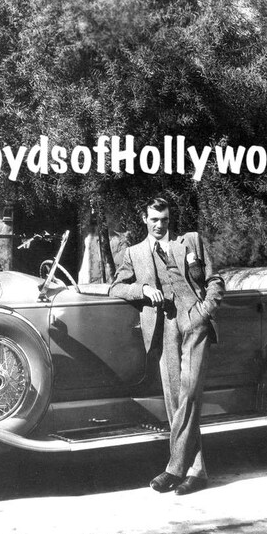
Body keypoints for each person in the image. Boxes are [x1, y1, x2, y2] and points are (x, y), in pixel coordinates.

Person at [109, 198, 224, 495]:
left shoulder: (192, 242)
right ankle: (197, 472)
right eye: (153, 219)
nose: (159, 225)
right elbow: (116, 287)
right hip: (165, 327)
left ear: (170, 219)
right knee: (175, 399)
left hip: (194, 321)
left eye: (164, 219)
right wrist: (143, 289)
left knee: (189, 391)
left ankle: (173, 468)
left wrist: (204, 310)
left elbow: (215, 280)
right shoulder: (134, 254)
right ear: (145, 219)